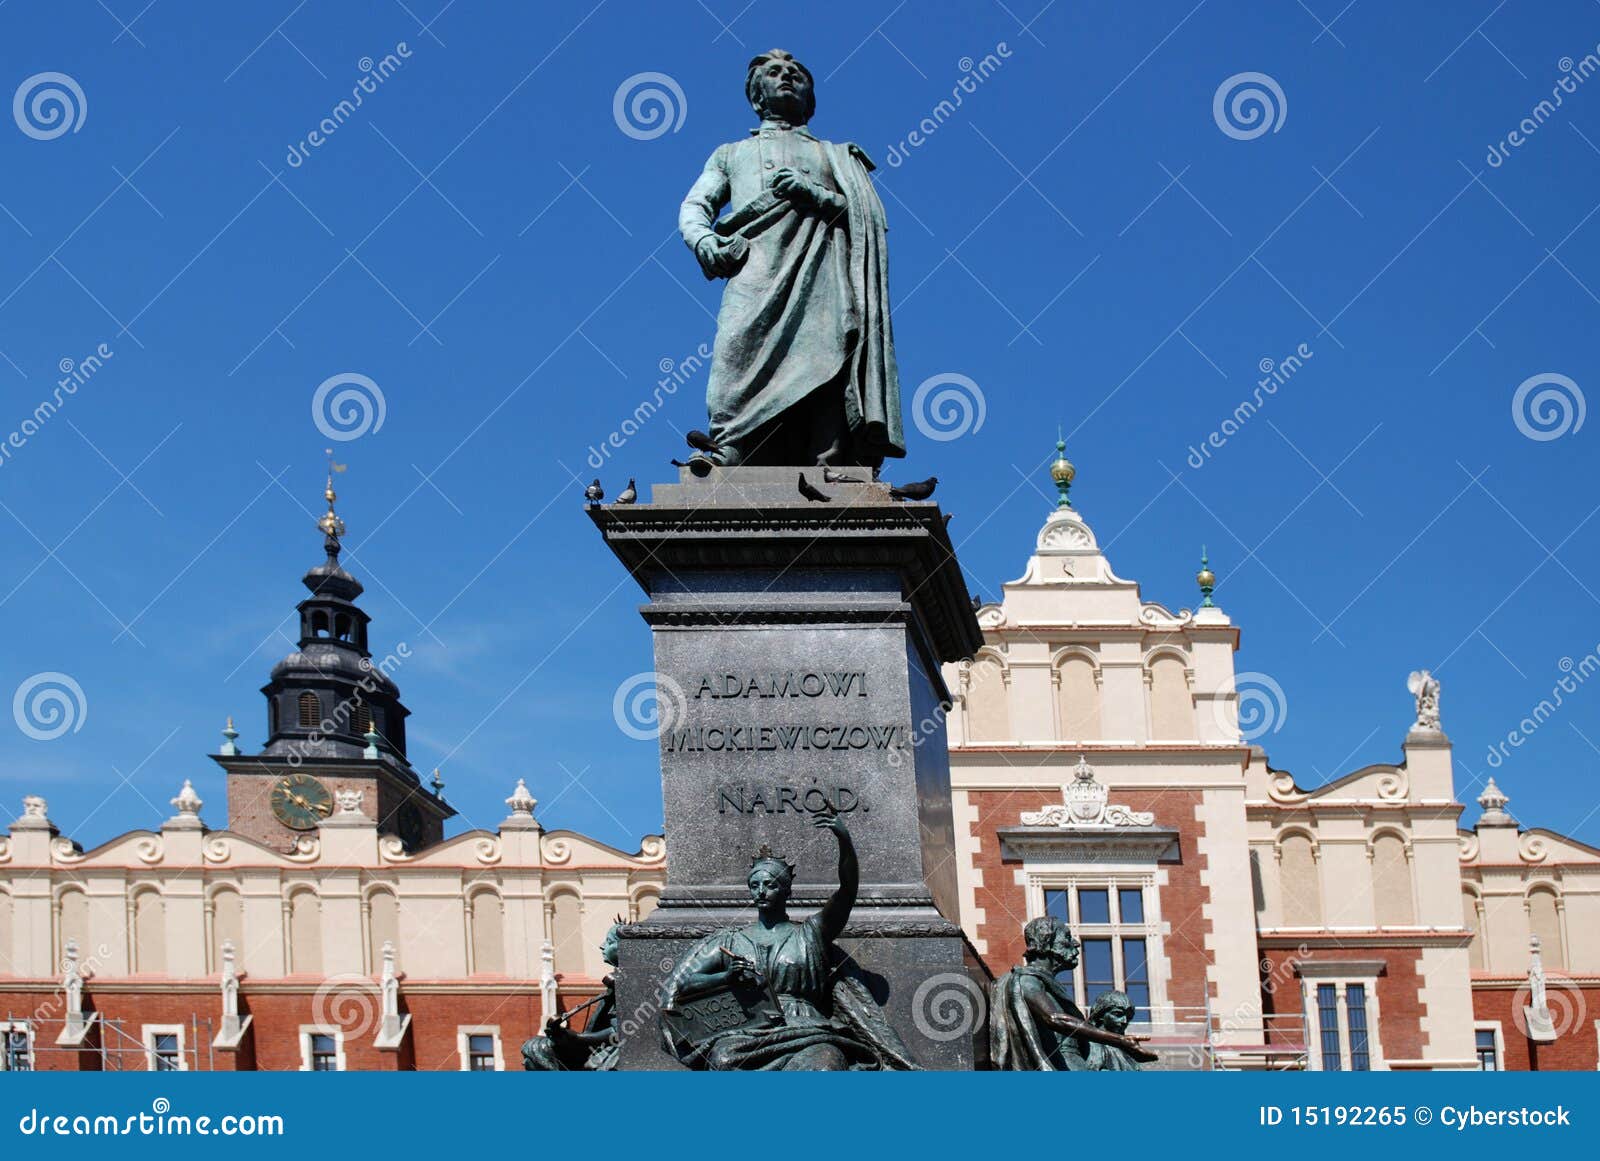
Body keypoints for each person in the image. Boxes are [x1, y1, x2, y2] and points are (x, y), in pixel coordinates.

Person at [677, 49, 902, 470]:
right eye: (775, 73)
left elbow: (869, 216)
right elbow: (695, 206)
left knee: (827, 354)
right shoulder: (730, 154)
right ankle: (728, 444)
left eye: (797, 74)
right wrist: (705, 241)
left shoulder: (835, 155)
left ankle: (830, 457)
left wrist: (812, 193)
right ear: (756, 94)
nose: (787, 78)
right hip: (755, 270)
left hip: (823, 272)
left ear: (809, 97)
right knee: (734, 350)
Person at [658, 805, 917, 1070]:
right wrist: (725, 977)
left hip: (807, 1027)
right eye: (755, 885)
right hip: (750, 1028)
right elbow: (687, 983)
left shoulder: (811, 933)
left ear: (786, 891)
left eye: (770, 885)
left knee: (825, 1066)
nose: (761, 891)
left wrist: (845, 842)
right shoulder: (731, 940)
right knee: (723, 1059)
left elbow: (847, 892)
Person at [989, 915, 1158, 1070]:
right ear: (1046, 943)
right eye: (1067, 938)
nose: (1076, 943)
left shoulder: (1047, 985)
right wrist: (1120, 1040)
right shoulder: (1028, 980)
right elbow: (1054, 1018)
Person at [521, 922, 621, 1071]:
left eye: (609, 942)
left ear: (625, 947)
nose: (602, 946)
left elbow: (621, 1031)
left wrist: (577, 1038)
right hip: (597, 1049)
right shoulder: (616, 983)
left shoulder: (631, 982)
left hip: (615, 1053)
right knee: (535, 1047)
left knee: (540, 1049)